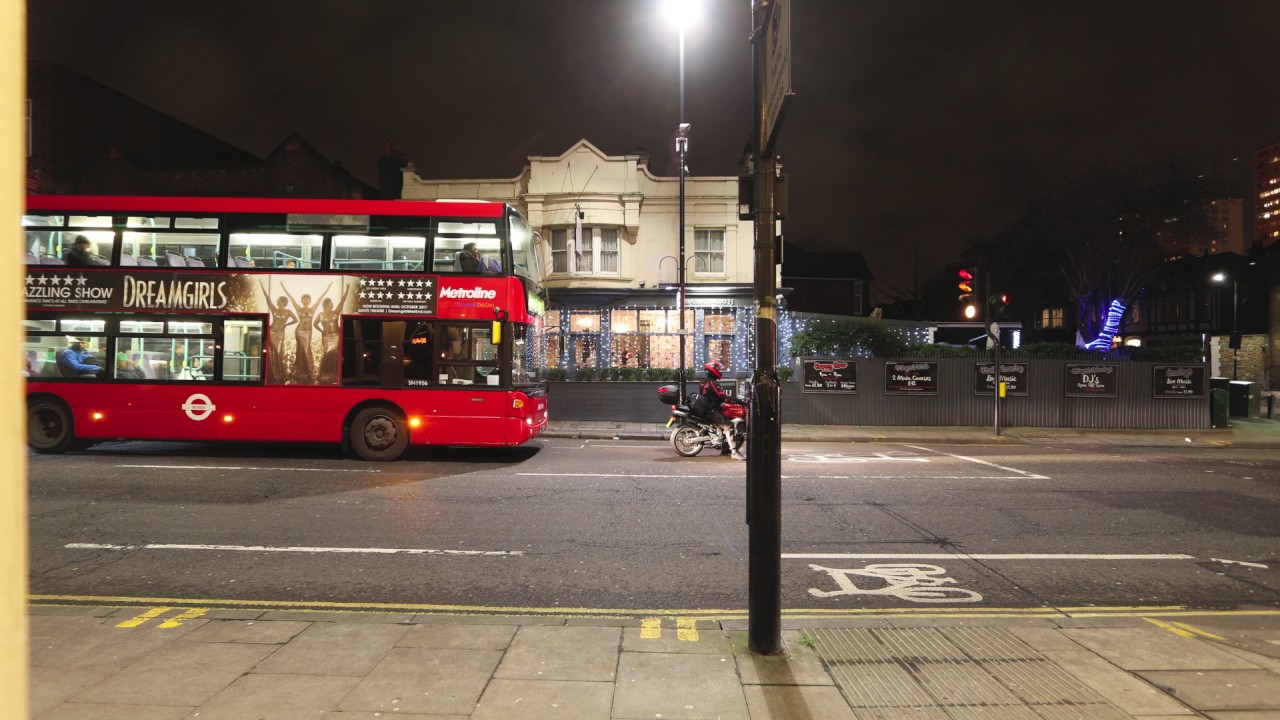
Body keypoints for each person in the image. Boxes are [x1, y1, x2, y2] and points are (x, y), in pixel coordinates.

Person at [699, 361, 744, 460]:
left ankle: (725, 449)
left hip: (709, 408)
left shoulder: (706, 381)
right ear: (712, 369)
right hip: (712, 410)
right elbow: (722, 396)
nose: (719, 370)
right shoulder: (712, 383)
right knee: (729, 427)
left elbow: (715, 397)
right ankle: (734, 452)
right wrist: (738, 401)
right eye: (717, 368)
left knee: (726, 420)